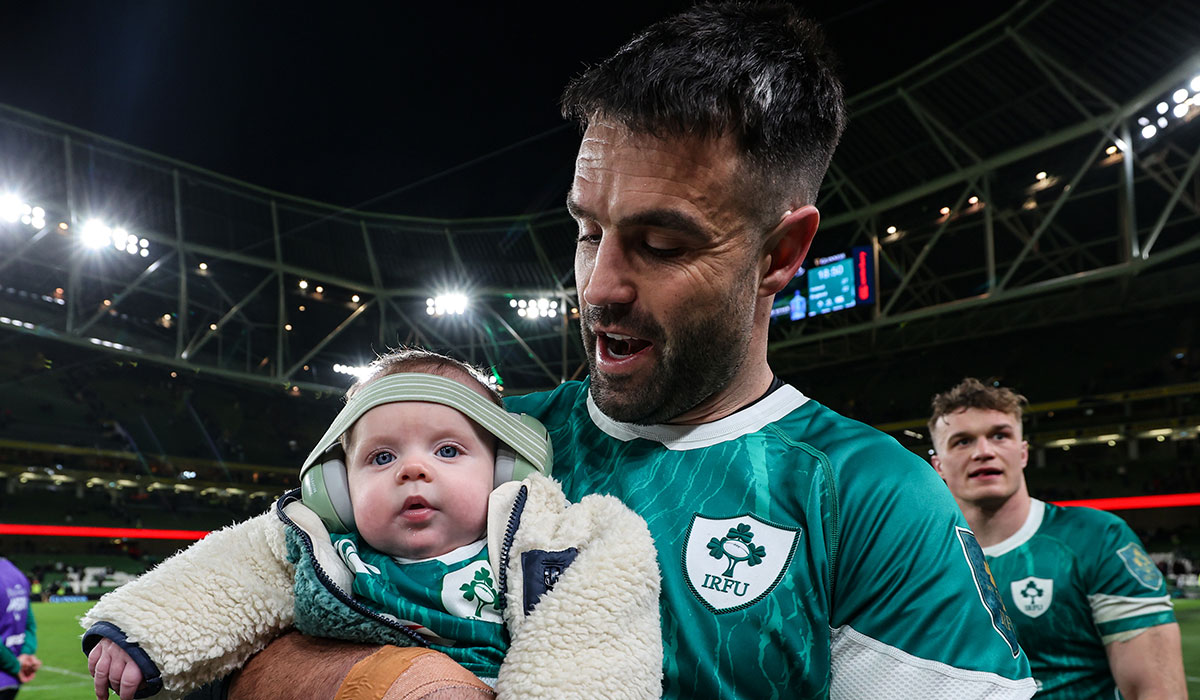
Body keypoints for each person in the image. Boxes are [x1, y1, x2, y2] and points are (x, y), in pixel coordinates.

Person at [85, 3, 1038, 698]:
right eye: (587, 231)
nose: (599, 286)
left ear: (781, 253)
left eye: (661, 245)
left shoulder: (867, 500)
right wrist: (405, 683)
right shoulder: (469, 448)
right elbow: (240, 636)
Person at [83, 349, 661, 700]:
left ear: (505, 467)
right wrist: (141, 635)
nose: (413, 469)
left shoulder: (552, 546)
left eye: (449, 451)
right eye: (381, 458)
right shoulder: (327, 547)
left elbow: (593, 647)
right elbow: (227, 576)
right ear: (338, 490)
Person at [928, 378, 1186, 699]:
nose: (984, 451)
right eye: (962, 441)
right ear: (938, 465)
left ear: (1023, 453)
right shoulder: (923, 558)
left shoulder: (1096, 538)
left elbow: (1155, 690)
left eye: (1000, 435)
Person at [0, 557, 40, 700]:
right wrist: (25, 655)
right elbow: (29, 625)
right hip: (11, 681)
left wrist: (15, 665)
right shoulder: (15, 573)